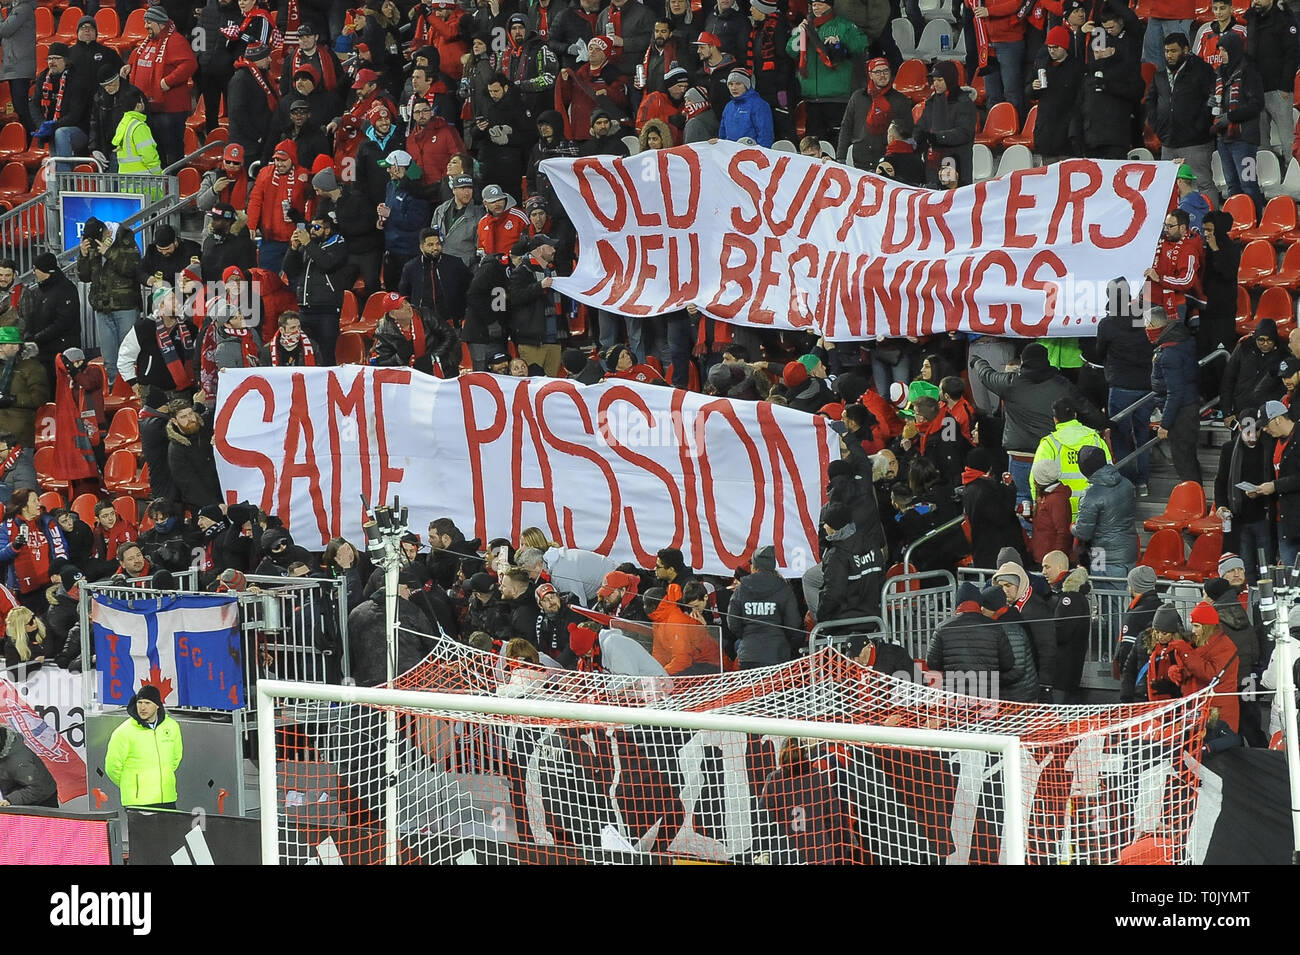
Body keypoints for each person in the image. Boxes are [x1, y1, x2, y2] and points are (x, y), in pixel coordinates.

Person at [970, 341, 1104, 513]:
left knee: (1022, 503)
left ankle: (1031, 537)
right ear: (1046, 359)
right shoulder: (1062, 385)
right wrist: (1105, 423)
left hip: (1020, 457)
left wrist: (977, 361)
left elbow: (986, 375)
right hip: (1052, 456)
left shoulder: (1010, 383)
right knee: (1054, 505)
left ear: (1023, 361)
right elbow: (1086, 409)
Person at [122, 5, 197, 168]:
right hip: (151, 107)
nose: (146, 26)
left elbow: (190, 64)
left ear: (161, 23)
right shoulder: (149, 41)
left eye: (149, 22)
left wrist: (167, 82)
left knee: (172, 151)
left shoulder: (176, 40)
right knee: (157, 151)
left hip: (170, 109)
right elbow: (139, 57)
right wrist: (130, 66)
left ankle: (177, 185)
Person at [1146, 34, 1217, 196]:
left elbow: (1212, 100)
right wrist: (1158, 127)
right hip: (1168, 142)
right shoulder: (1161, 74)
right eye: (1166, 51)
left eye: (1173, 51)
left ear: (1185, 50)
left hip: (1195, 142)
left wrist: (1200, 127)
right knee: (1169, 187)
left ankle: (1209, 221)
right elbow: (1150, 101)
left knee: (1202, 184)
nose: (1169, 55)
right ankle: (1176, 221)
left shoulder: (1202, 71)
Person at [784, 0, 866, 140]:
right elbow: (790, 50)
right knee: (815, 143)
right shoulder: (805, 27)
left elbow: (861, 43)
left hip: (836, 97)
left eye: (821, 4)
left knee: (837, 141)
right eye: (814, 4)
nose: (816, 7)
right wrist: (800, 34)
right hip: (812, 98)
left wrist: (841, 44)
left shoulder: (843, 25)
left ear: (830, 5)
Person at [925, 582, 1017, 698]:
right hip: (987, 695)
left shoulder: (942, 628)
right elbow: (1008, 664)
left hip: (954, 696)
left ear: (958, 602)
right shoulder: (995, 627)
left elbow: (932, 663)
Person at [283, 210, 350, 365]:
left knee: (326, 355)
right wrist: (293, 248)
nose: (312, 230)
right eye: (311, 227)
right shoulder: (309, 246)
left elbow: (327, 263)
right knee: (306, 354)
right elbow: (290, 270)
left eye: (317, 228)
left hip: (327, 310)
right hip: (306, 309)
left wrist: (308, 244)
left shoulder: (338, 243)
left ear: (327, 230)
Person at [104, 684, 183, 808]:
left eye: (147, 703)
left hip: (167, 797)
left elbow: (175, 758)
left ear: (157, 705)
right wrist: (132, 784)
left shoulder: (172, 727)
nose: (142, 707)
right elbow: (112, 767)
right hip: (138, 802)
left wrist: (162, 776)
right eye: (139, 702)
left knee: (170, 828)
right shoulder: (124, 731)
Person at [1031, 397, 1111, 520]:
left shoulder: (1049, 444)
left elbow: (1035, 479)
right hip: (1092, 510)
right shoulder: (1095, 440)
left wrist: (1039, 506)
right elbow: (1109, 473)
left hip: (1061, 511)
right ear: (1075, 415)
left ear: (1055, 419)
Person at [1210, 31, 1264, 214]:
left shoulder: (1249, 71)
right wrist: (1212, 101)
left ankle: (1255, 222)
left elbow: (1257, 104)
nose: (1221, 54)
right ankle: (1238, 221)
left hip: (1244, 139)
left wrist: (1231, 118)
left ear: (1234, 50)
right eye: (1220, 50)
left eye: (1224, 50)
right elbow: (1220, 99)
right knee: (1232, 185)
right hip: (1223, 138)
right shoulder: (1220, 72)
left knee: (1248, 184)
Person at [1148, 305, 1201, 483]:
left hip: (1181, 413)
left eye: (1147, 326)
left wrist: (1165, 424)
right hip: (1188, 408)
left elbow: (1175, 392)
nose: (1146, 331)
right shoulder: (1182, 341)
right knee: (1188, 460)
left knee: (1184, 463)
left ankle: (1194, 504)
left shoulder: (1169, 353)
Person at [1170, 601, 1241, 733]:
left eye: (1197, 626)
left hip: (1219, 711)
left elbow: (1209, 673)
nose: (1193, 630)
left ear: (1207, 627)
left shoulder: (1225, 646)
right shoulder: (1202, 643)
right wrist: (1176, 672)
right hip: (1201, 708)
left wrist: (1186, 653)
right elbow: (1194, 668)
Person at [1215, 415, 1275, 565]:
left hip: (1263, 515)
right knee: (1244, 566)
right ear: (1240, 429)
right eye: (1248, 433)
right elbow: (1221, 481)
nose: (1252, 437)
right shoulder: (1229, 449)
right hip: (1238, 517)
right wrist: (1221, 505)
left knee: (1266, 566)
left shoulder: (1269, 448)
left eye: (1256, 432)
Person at [728, 545, 801, 667]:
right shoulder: (784, 588)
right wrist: (783, 640)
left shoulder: (741, 590)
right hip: (777, 654)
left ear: (754, 566)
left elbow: (733, 623)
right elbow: (793, 624)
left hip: (749, 654)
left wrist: (747, 637)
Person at [1072, 445, 1138, 582]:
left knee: (1105, 599)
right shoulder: (1126, 484)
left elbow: (1083, 533)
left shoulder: (1090, 495)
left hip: (1101, 556)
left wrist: (1072, 526)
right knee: (1125, 599)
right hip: (1128, 551)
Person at [838, 57, 912, 171]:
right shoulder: (857, 97)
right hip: (860, 159)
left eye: (885, 71)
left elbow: (908, 131)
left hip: (889, 162)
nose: (882, 75)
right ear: (870, 75)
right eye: (877, 72)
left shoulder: (901, 100)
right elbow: (846, 127)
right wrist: (840, 157)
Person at [1026, 26, 1083, 164]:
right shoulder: (1041, 64)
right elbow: (1028, 93)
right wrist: (1033, 87)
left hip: (1067, 131)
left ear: (1064, 47)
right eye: (1049, 47)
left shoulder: (1076, 68)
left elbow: (1080, 98)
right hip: (1046, 129)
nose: (1051, 50)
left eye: (1055, 47)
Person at [914, 60, 976, 186]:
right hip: (932, 162)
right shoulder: (931, 102)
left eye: (940, 80)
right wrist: (916, 136)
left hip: (957, 162)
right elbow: (922, 125)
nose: (935, 84)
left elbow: (964, 132)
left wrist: (938, 137)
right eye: (934, 80)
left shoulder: (964, 103)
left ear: (950, 79)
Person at [1257, 399, 1300, 564]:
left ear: (1278, 419)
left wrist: (1275, 486)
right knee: (1290, 579)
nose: (1265, 430)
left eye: (1267, 425)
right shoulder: (1274, 442)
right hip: (1283, 520)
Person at [1221, 319, 1282, 428]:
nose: (1265, 344)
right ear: (1255, 338)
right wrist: (1227, 412)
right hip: (1240, 413)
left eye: (1269, 340)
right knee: (1236, 444)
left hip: (1267, 418)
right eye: (1261, 340)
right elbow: (1228, 380)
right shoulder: (1244, 348)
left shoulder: (1283, 355)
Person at [0, 325, 48, 452]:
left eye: (3, 344)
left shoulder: (32, 368)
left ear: (16, 346)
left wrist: (13, 399)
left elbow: (40, 397)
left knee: (21, 470)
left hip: (19, 439)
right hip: (3, 438)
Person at [0, 721, 58, 808]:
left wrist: (10, 800)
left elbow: (37, 789)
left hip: (41, 802)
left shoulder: (19, 761)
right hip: (14, 790)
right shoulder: (4, 751)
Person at [1029, 458, 1072, 565]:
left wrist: (1056, 560)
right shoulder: (1048, 497)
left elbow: (1063, 532)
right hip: (1044, 559)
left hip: (1051, 563)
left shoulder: (1056, 500)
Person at [717, 67, 773, 147]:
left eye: (738, 84)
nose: (733, 88)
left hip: (751, 154)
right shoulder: (728, 106)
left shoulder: (759, 105)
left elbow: (765, 134)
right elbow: (722, 132)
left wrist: (761, 155)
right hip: (730, 153)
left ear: (746, 85)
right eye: (731, 84)